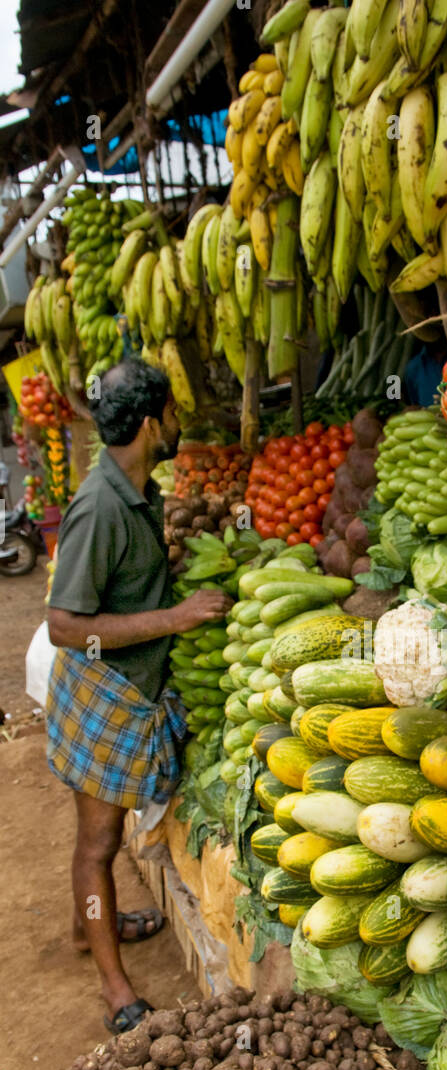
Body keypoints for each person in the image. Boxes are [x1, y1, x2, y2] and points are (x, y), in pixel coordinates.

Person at [46, 358, 232, 1033]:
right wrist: (174, 618)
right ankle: (115, 987)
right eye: (174, 414)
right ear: (153, 423)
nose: (179, 424)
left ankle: (89, 921)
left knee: (102, 835)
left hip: (129, 692)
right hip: (105, 696)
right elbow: (63, 625)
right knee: (96, 846)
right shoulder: (97, 508)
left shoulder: (136, 490)